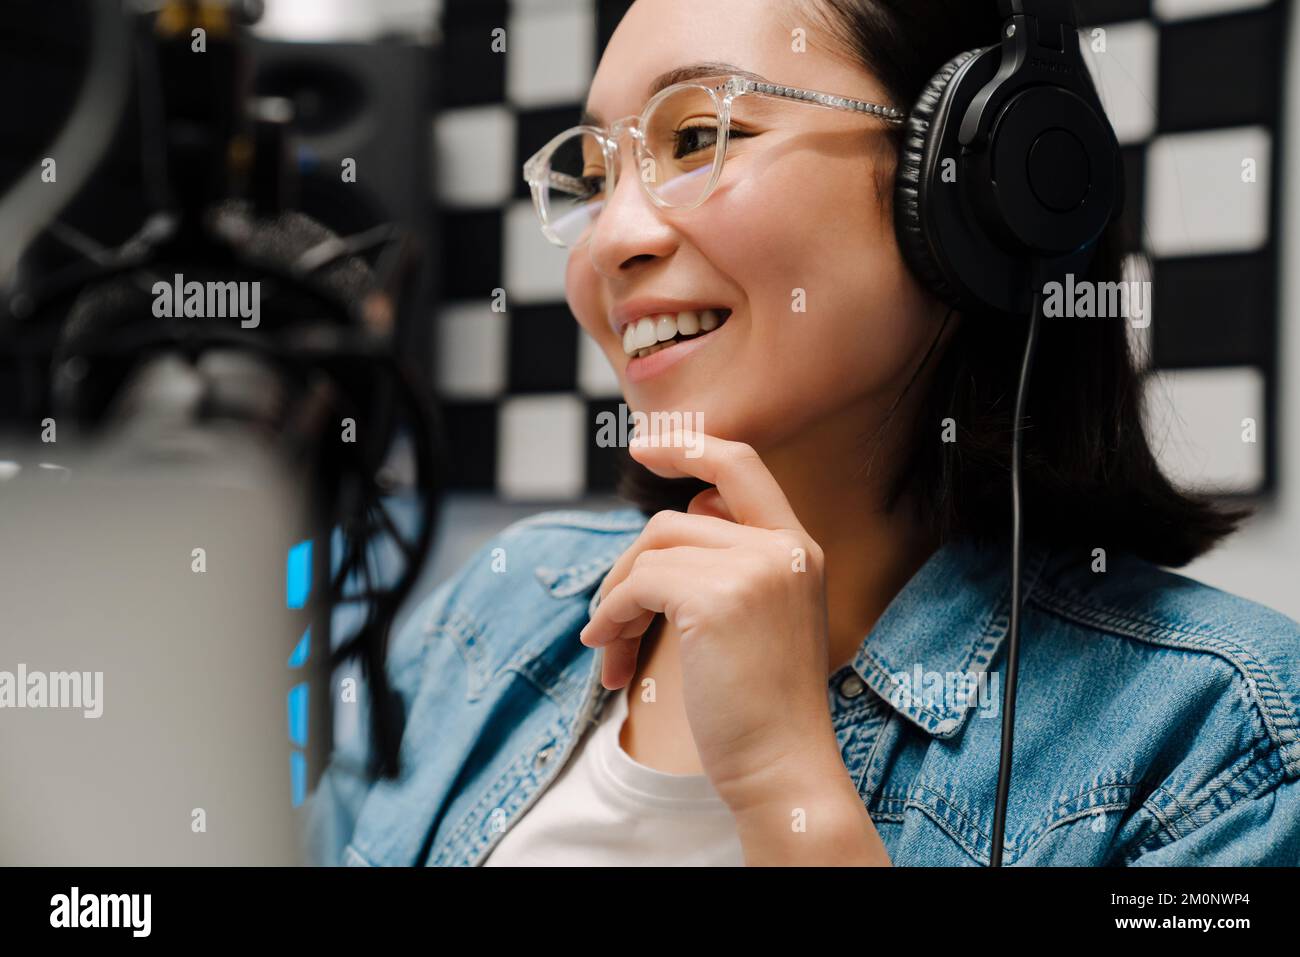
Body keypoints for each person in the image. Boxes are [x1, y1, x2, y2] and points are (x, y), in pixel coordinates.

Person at [307, 0, 1300, 866]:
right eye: (598, 175)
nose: (612, 239)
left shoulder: (1218, 746)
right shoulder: (493, 610)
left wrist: (787, 782)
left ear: (974, 186)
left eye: (698, 137)